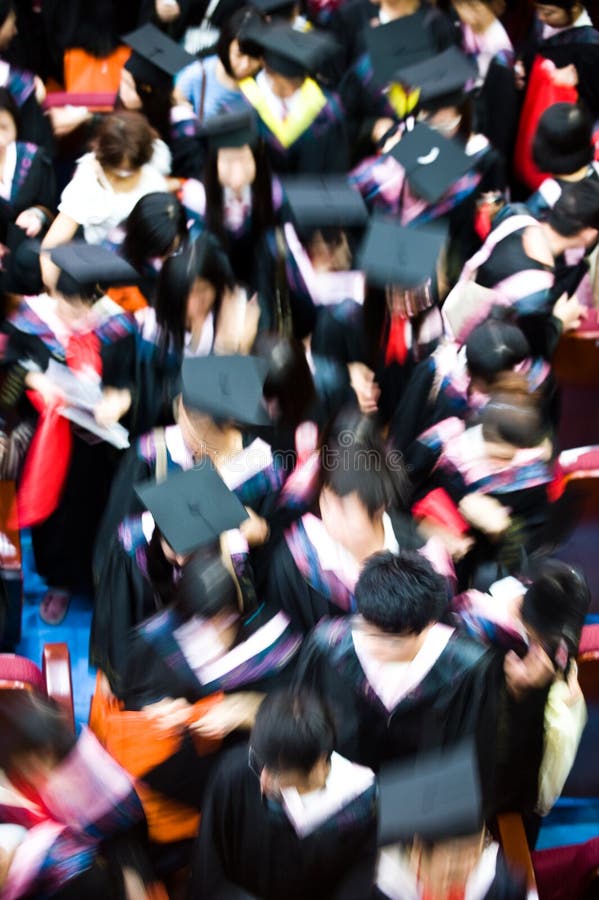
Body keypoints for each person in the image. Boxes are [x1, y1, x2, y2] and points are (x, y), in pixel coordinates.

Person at [91, 544, 301, 845]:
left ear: (236, 611)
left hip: (244, 771)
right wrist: (161, 711)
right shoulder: (156, 643)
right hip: (177, 777)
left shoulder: (270, 643)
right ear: (183, 613)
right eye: (204, 623)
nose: (216, 634)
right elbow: (133, 704)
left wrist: (247, 711)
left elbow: (297, 711)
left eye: (224, 621)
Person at [0, 244, 138, 624]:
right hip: (49, 437)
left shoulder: (118, 327)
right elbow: (8, 377)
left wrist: (121, 400)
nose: (70, 314)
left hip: (99, 448)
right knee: (55, 522)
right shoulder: (31, 321)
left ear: (96, 298)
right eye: (64, 301)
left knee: (99, 515)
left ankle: (96, 582)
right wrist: (33, 381)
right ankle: (58, 583)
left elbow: (132, 382)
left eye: (79, 306)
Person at [293, 550, 500, 798]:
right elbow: (303, 719)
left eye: (394, 641)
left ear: (428, 625)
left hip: (422, 801)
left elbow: (475, 754)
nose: (379, 647)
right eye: (372, 633)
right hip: (343, 794)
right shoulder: (328, 646)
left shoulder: (468, 668)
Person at [190, 689, 378, 899]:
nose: (263, 781)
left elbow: (353, 885)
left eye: (278, 773)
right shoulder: (236, 772)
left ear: (318, 766)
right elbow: (209, 867)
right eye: (263, 764)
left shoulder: (360, 806)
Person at [263, 411, 439, 634]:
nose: (332, 519)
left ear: (381, 502)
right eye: (327, 501)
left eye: (345, 509)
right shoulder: (295, 561)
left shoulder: (419, 557)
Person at [0, 689, 163, 899]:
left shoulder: (84, 764)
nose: (39, 769)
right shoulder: (11, 784)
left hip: (105, 855)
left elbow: (124, 832)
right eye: (26, 765)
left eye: (42, 756)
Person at [444, 177, 599, 357]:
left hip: (455, 308)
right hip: (475, 347)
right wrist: (559, 321)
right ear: (589, 234)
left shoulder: (516, 214)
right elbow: (528, 346)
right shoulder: (536, 293)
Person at [39, 111, 167, 292]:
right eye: (119, 172)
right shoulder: (87, 183)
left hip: (149, 266)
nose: (125, 175)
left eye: (131, 171)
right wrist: (59, 295)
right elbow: (51, 247)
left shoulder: (154, 169)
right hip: (103, 274)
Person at [183, 109, 278, 298]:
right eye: (228, 161)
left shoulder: (272, 193)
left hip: (259, 282)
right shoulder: (197, 196)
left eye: (243, 160)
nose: (237, 170)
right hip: (215, 282)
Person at [236, 18, 350, 174]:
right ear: (268, 70)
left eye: (298, 84)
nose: (293, 91)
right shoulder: (240, 105)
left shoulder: (326, 113)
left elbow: (336, 171)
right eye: (286, 84)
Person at [118, 23, 203, 180]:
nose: (121, 91)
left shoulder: (184, 132)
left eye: (128, 86)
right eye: (121, 80)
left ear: (147, 93)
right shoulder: (122, 111)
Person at [174, 6, 262, 121]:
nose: (245, 65)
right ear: (226, 47)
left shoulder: (265, 83)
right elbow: (177, 99)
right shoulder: (198, 74)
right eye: (239, 55)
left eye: (253, 58)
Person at [0, 87, 55, 257]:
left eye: (3, 127)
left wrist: (37, 215)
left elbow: (50, 207)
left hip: (26, 249)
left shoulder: (35, 159)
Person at [523, 1, 599, 120]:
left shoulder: (589, 47)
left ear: (574, 8)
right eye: (538, 9)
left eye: (548, 13)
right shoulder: (543, 19)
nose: (540, 17)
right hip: (528, 102)